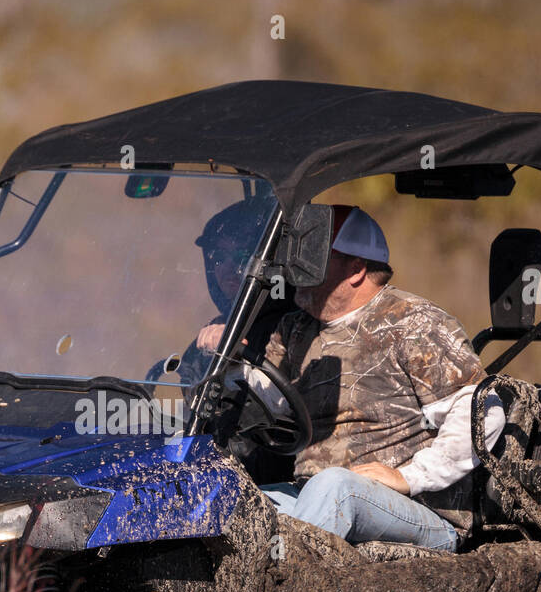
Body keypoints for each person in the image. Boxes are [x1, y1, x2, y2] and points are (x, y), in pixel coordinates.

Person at [198, 205, 506, 552]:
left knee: (334, 488)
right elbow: (277, 402)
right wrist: (234, 364)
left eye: (310, 260)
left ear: (356, 270)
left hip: (420, 512)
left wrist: (408, 478)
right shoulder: (297, 328)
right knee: (229, 500)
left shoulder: (414, 322)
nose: (295, 272)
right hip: (313, 495)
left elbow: (483, 412)